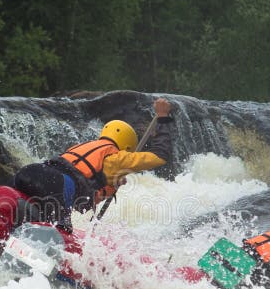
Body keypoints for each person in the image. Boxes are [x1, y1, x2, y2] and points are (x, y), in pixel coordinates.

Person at [12, 98, 174, 230]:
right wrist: (163, 118)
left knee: (20, 221)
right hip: (55, 187)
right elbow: (160, 155)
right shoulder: (117, 158)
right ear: (127, 147)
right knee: (61, 235)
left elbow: (89, 195)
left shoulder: (82, 148)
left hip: (29, 173)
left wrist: (110, 186)